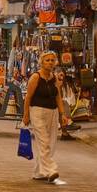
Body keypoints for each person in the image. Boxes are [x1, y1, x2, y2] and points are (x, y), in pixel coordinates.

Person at [22, 51, 68, 183]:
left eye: (52, 60)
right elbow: (28, 98)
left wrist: (62, 114)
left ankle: (38, 172)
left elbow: (58, 96)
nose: (50, 62)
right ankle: (51, 170)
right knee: (44, 142)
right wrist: (26, 115)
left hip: (52, 112)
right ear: (41, 62)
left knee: (51, 143)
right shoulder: (35, 77)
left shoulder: (54, 77)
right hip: (37, 111)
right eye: (47, 60)